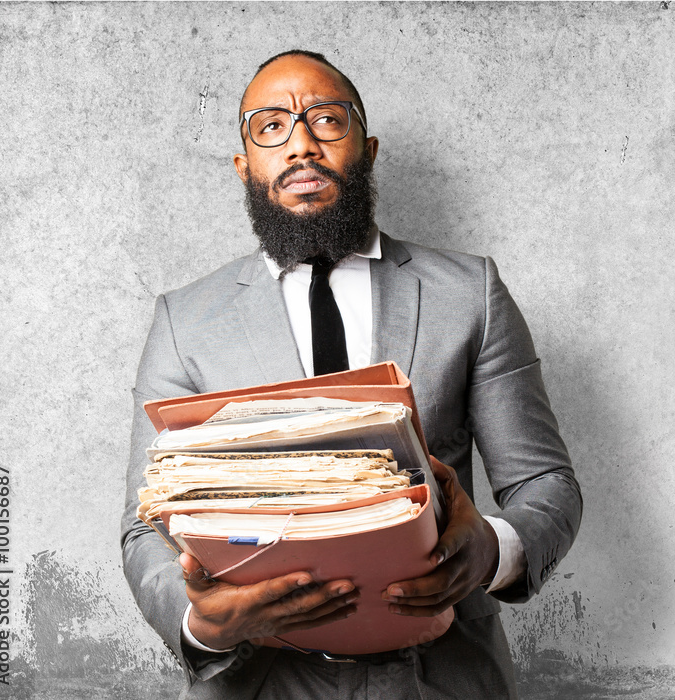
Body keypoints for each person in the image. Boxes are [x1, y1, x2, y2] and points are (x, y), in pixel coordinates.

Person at [120, 50, 582, 699]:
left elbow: (547, 486)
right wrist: (203, 623)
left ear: (365, 149)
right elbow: (145, 527)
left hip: (441, 674)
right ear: (244, 164)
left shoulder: (470, 292)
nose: (301, 142)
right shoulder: (183, 321)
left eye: (326, 120)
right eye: (271, 126)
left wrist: (490, 551)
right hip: (255, 679)